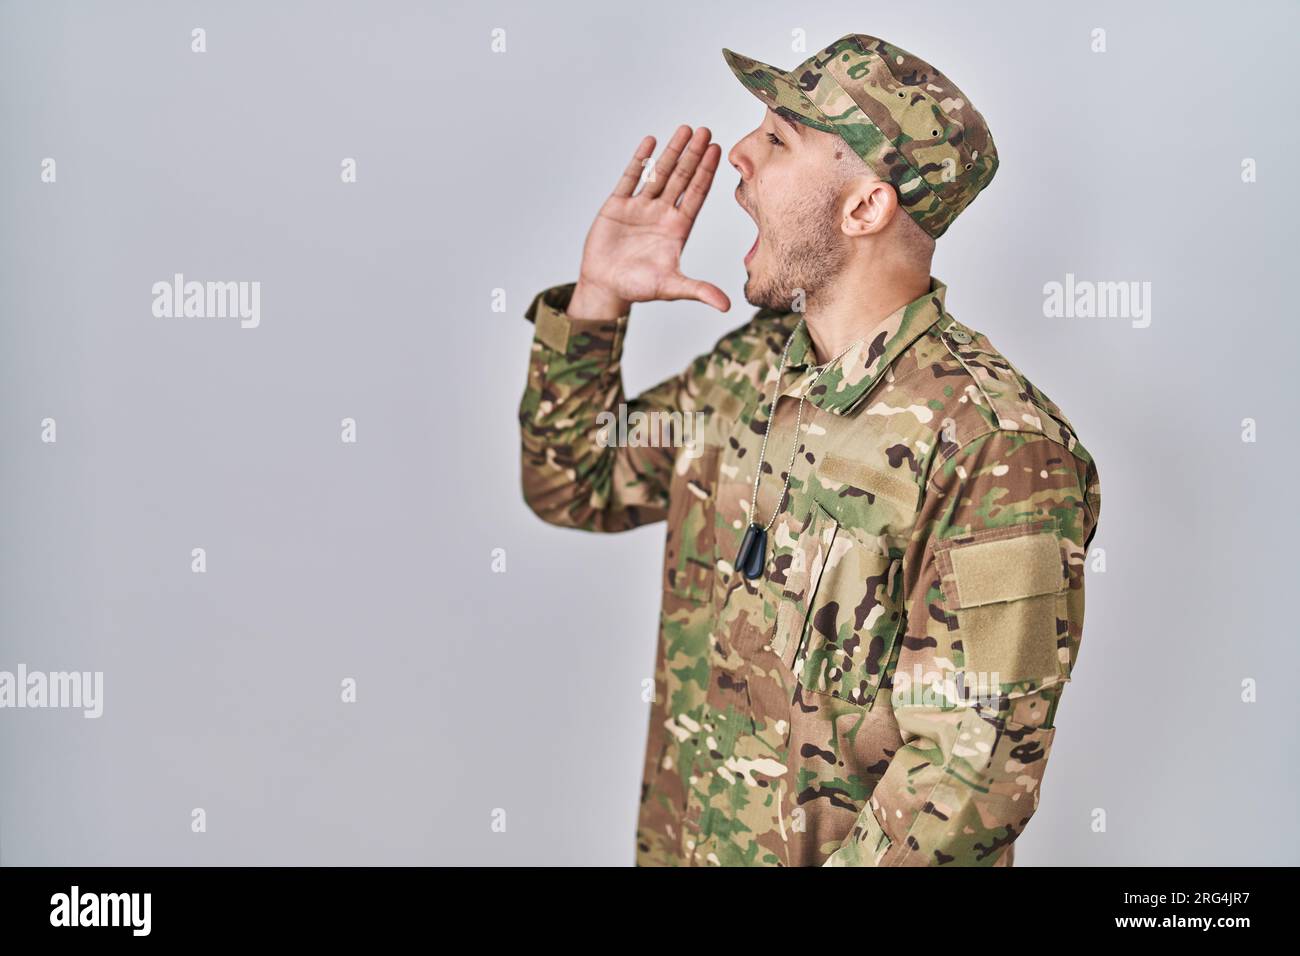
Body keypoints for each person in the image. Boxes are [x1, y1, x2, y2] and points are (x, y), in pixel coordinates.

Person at [518, 33, 1101, 866]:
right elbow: (575, 483)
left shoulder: (994, 448)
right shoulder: (750, 372)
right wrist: (598, 301)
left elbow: (969, 783)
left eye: (779, 139)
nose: (739, 157)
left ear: (865, 208)